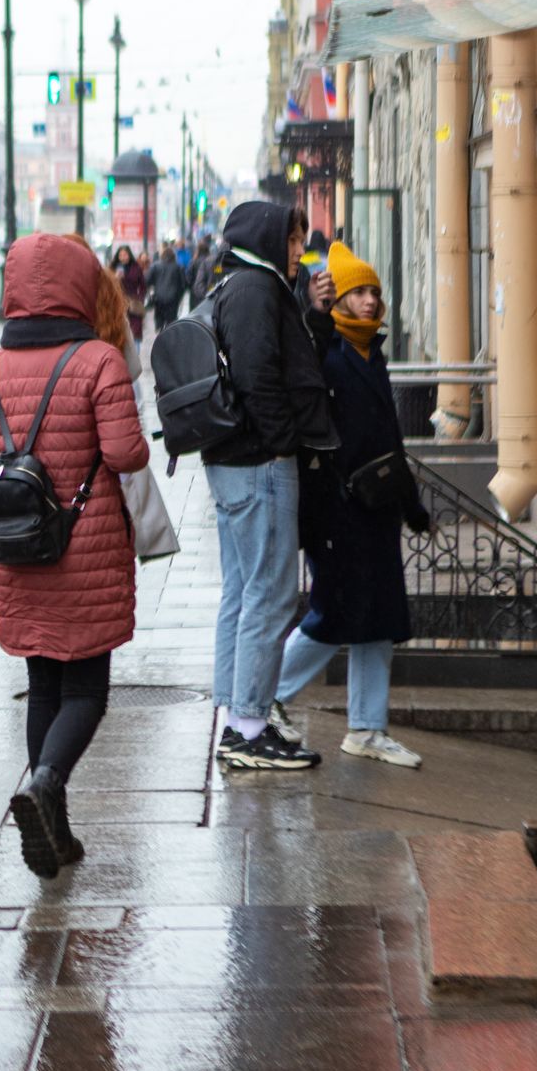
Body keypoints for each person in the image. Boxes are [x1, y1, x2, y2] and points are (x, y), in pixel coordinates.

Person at [0, 234, 149, 879]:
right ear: (79, 286)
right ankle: (45, 784)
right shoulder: (98, 359)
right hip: (85, 545)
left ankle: (56, 830)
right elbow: (126, 455)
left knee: (43, 682)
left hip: (20, 550)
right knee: (88, 690)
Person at [274, 243, 428, 768]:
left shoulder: (371, 352)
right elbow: (300, 377)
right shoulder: (328, 350)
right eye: (358, 292)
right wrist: (314, 310)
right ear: (337, 300)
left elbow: (388, 436)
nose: (368, 301)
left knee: (380, 616)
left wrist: (409, 502)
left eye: (374, 293)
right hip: (336, 507)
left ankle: (367, 727)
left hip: (377, 507)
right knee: (333, 610)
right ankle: (267, 698)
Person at [205, 202, 337, 769]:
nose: (299, 252)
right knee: (271, 594)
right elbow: (260, 373)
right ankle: (250, 728)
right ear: (267, 237)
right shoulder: (257, 288)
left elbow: (280, 358)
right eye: (292, 240)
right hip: (260, 462)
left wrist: (311, 311)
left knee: (242, 592)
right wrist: (283, 441)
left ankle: (239, 716)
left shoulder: (241, 285)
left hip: (236, 459)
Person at [147, 243, 189, 340]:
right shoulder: (178, 267)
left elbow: (148, 280)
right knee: (171, 322)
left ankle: (160, 336)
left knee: (160, 320)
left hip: (159, 298)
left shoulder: (155, 266)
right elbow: (184, 284)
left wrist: (153, 291)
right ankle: (170, 340)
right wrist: (179, 296)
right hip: (173, 299)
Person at [110, 245, 148, 343]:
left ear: (129, 255)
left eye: (125, 254)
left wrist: (140, 298)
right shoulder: (113, 268)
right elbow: (107, 285)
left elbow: (143, 286)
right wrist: (115, 278)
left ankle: (136, 353)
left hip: (134, 303)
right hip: (118, 302)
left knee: (135, 332)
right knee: (119, 331)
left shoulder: (136, 267)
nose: (123, 257)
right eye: (121, 255)